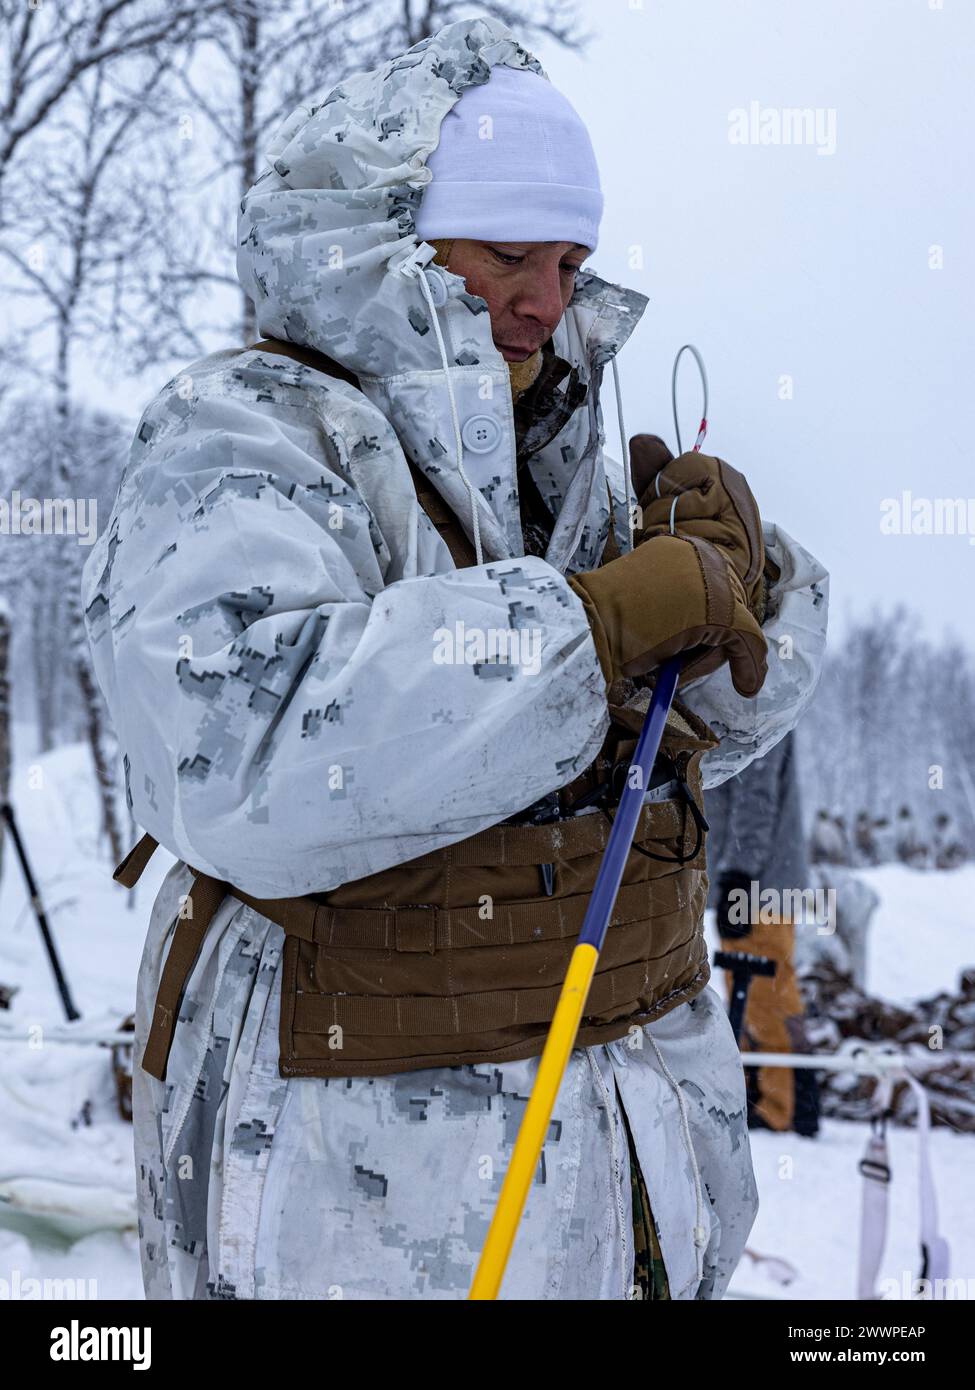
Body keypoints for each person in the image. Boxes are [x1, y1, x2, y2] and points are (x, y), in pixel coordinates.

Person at [82, 16, 828, 1300]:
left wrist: (739, 596)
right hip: (356, 1201)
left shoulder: (557, 452)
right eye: (506, 253)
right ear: (388, 242)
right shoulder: (244, 434)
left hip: (622, 1168)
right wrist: (587, 631)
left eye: (571, 258)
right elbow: (242, 753)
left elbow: (713, 720)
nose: (547, 297)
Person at [707, 731, 820, 1135]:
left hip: (758, 884)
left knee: (766, 997)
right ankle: (775, 1098)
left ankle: (785, 1108)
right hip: (759, 882)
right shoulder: (754, 709)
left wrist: (738, 874)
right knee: (755, 992)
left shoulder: (758, 715)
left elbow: (757, 800)